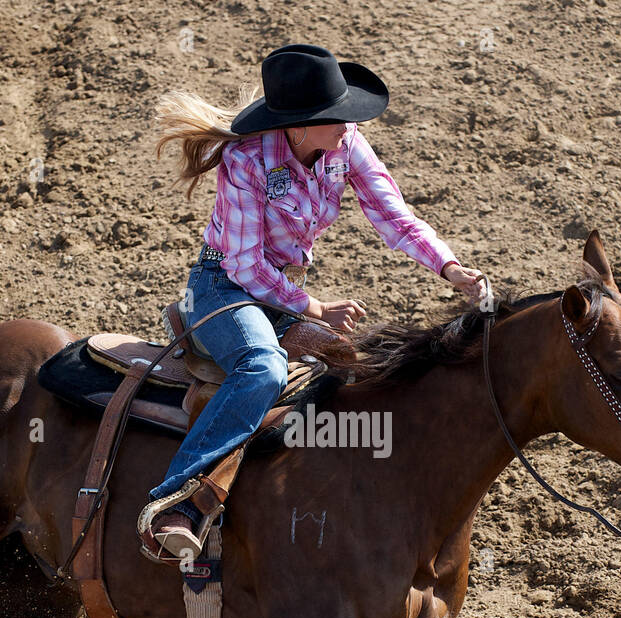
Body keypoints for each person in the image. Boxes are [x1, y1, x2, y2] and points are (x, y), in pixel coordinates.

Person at [148, 43, 487, 558]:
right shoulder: (246, 161)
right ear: (298, 124)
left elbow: (393, 215)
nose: (349, 124)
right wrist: (313, 308)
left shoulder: (344, 144)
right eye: (336, 116)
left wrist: (450, 267)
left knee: (352, 366)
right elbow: (242, 267)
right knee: (263, 369)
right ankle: (180, 501)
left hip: (278, 295)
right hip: (223, 290)